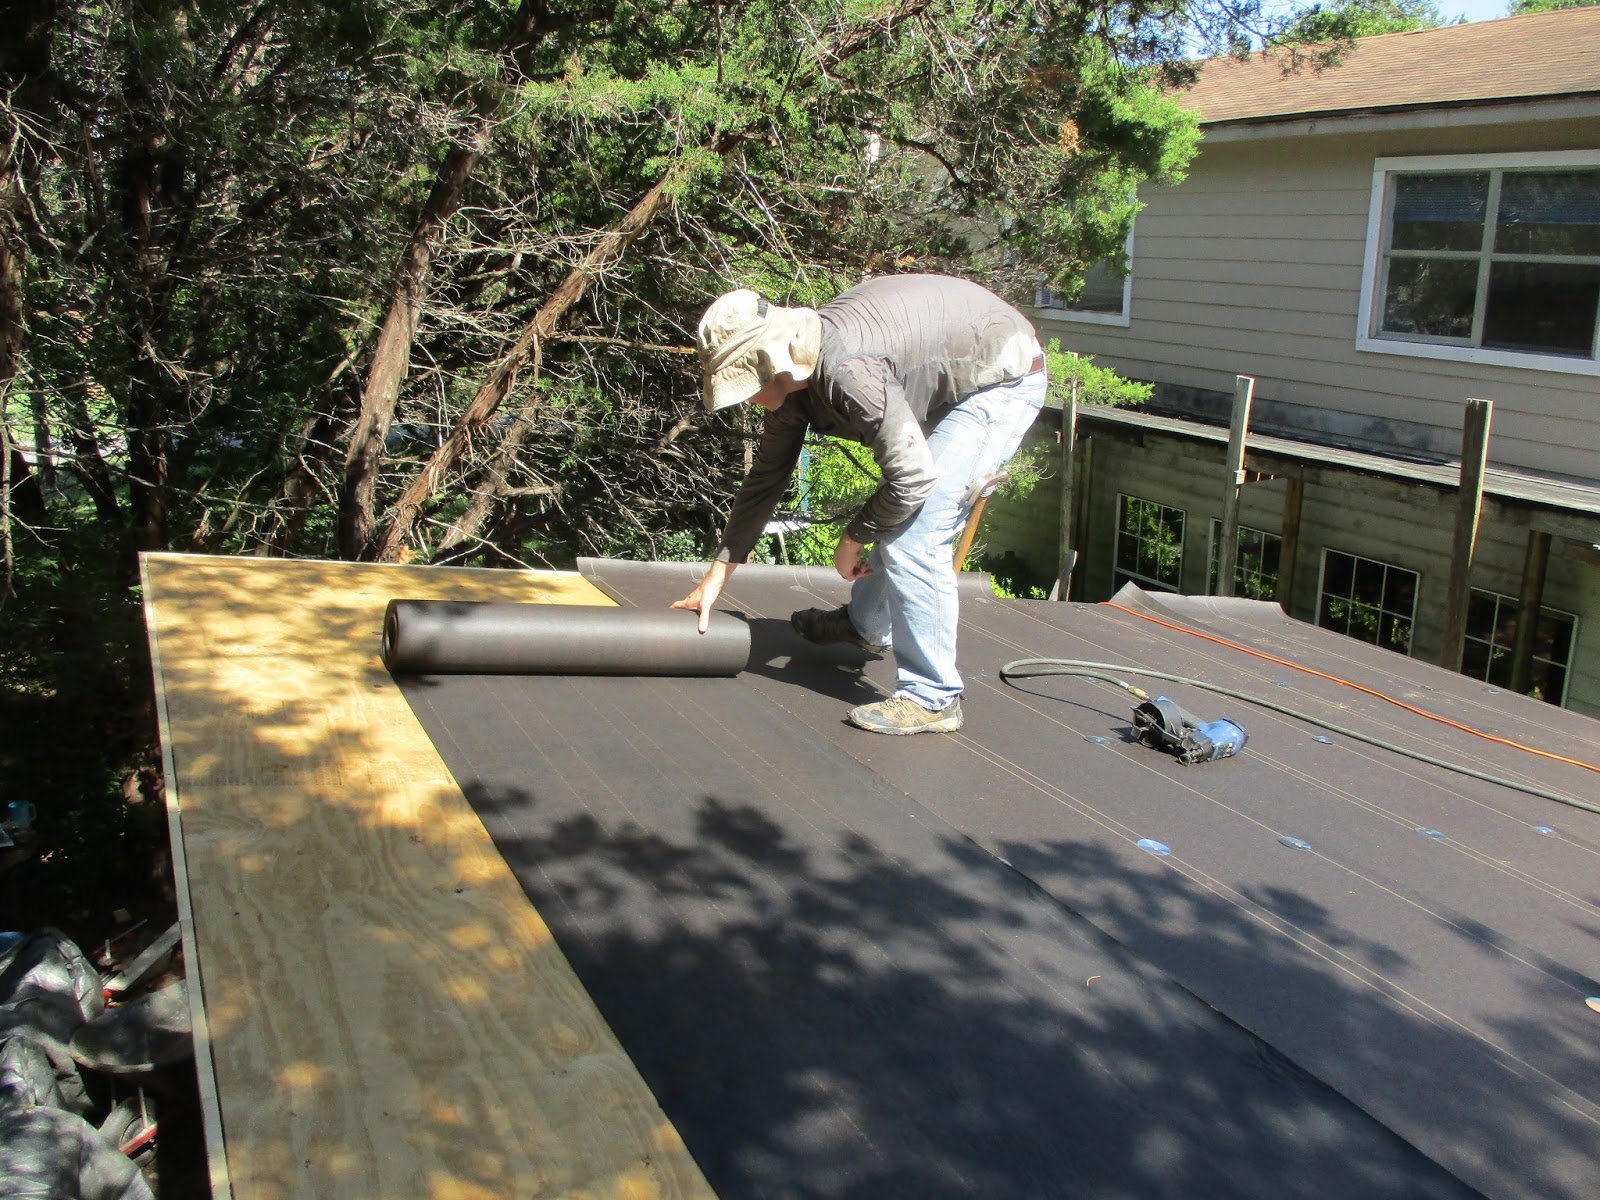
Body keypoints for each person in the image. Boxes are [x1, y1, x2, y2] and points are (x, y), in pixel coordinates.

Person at [672, 273, 1049, 735]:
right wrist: (716, 576)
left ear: (771, 360)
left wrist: (852, 538)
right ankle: (863, 626)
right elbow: (766, 479)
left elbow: (912, 478)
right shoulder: (796, 382)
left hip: (999, 376)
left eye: (745, 381)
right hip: (950, 369)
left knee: (919, 530)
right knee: (901, 517)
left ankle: (933, 698)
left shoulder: (849, 372)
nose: (746, 397)